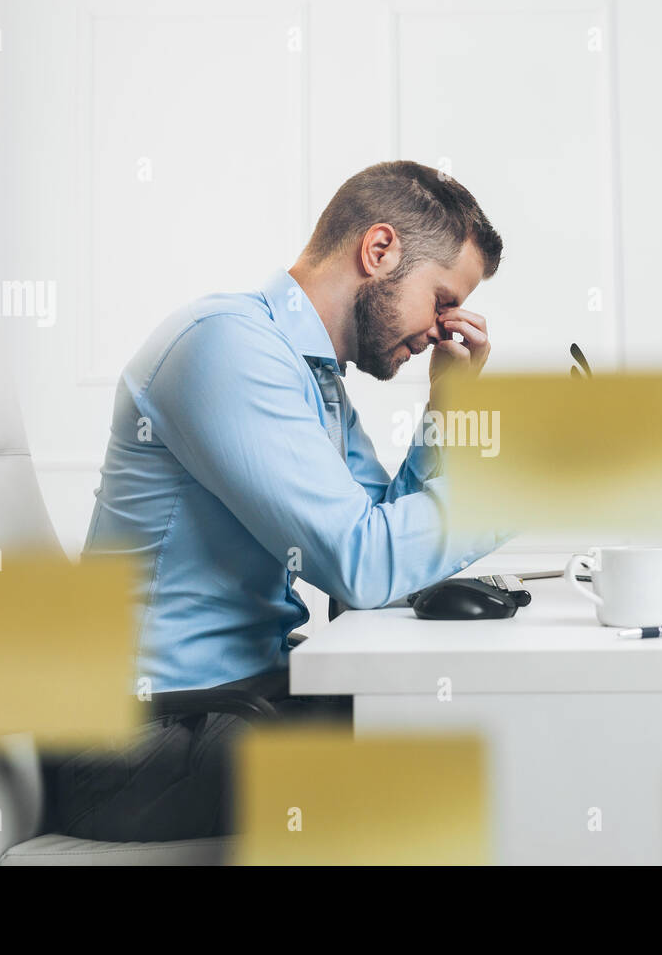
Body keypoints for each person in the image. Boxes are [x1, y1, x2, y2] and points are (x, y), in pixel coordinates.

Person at [54, 161, 507, 841]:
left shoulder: (315, 382)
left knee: (475, 724)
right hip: (137, 746)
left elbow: (374, 573)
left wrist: (445, 407)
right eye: (442, 299)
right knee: (450, 772)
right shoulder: (225, 346)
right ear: (379, 251)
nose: (446, 328)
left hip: (234, 706)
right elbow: (367, 564)